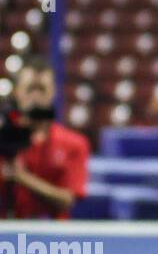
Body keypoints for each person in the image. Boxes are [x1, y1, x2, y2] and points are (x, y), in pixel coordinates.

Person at [0, 56, 91, 220]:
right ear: (17, 92)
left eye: (41, 89)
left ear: (53, 92)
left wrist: (21, 177)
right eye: (30, 89)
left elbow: (67, 200)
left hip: (55, 241)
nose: (35, 96)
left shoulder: (74, 143)